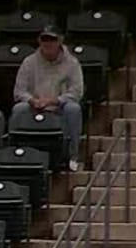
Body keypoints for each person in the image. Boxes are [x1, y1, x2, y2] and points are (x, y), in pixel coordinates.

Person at [11, 25, 85, 167]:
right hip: (35, 106)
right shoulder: (29, 62)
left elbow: (77, 91)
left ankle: (72, 156)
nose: (48, 43)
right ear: (39, 41)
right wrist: (32, 100)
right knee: (19, 109)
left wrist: (55, 100)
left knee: (73, 109)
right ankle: (16, 152)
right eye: (45, 39)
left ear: (60, 41)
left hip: (59, 106)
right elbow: (19, 91)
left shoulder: (72, 63)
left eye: (52, 39)